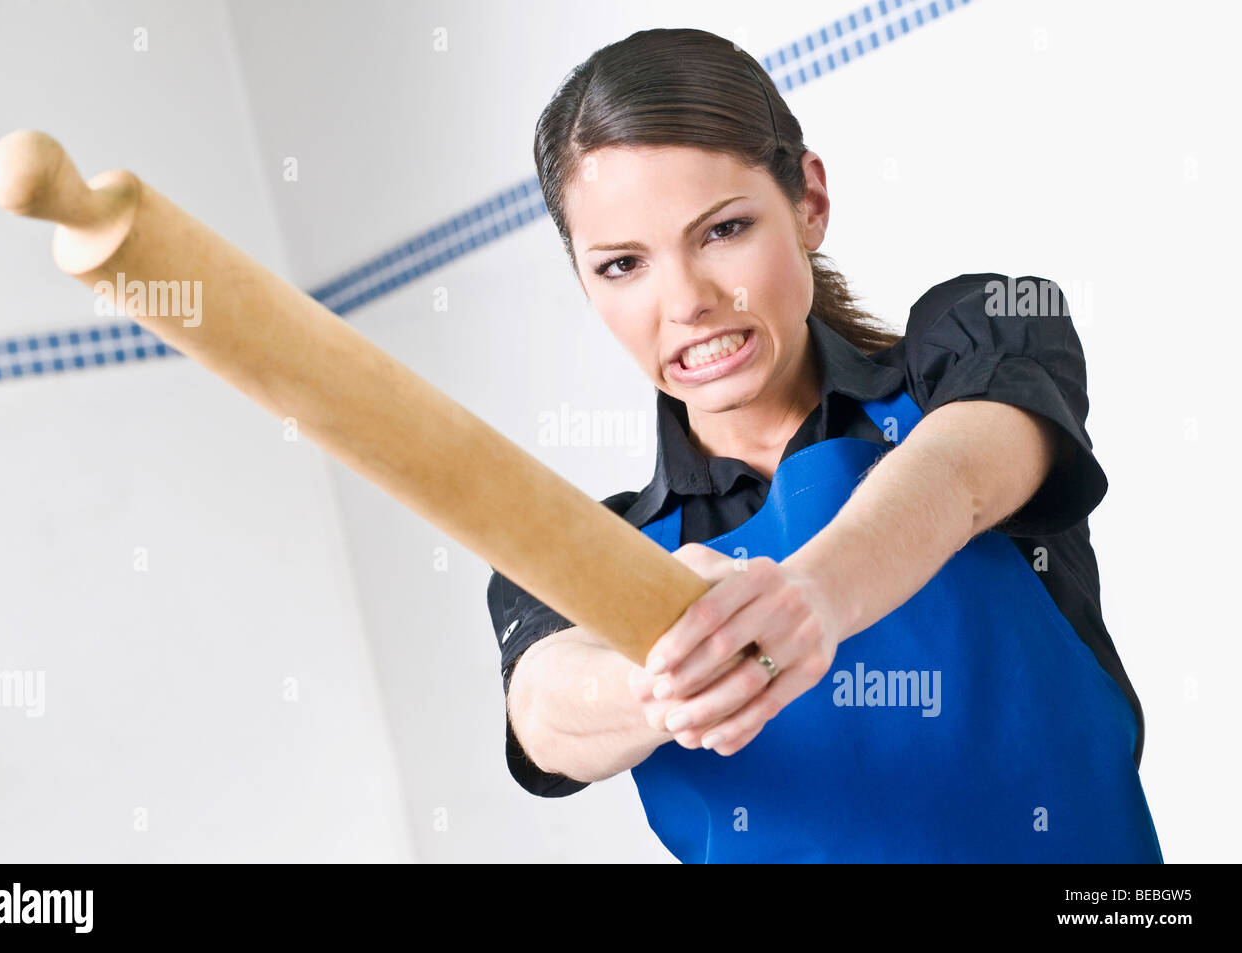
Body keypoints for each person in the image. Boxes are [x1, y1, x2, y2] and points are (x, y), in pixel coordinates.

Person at [486, 26, 1161, 862]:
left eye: (723, 230)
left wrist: (807, 598)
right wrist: (664, 679)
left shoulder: (979, 341)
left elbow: (961, 470)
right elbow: (545, 710)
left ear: (809, 200)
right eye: (623, 265)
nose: (686, 300)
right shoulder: (588, 552)